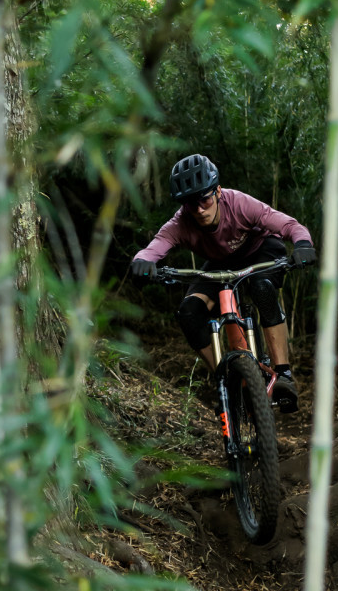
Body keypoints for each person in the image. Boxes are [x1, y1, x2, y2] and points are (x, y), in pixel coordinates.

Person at [130, 154, 316, 413]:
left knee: (262, 288)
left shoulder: (239, 204)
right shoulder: (181, 222)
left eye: (204, 199)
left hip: (260, 251)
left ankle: (283, 374)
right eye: (189, 203)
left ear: (217, 191)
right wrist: (141, 263)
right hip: (220, 263)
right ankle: (224, 380)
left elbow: (288, 225)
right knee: (189, 312)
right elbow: (155, 247)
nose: (198, 209)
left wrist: (303, 245)